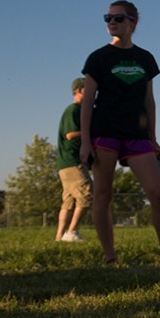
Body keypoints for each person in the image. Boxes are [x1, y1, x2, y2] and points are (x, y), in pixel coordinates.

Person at [79, 0, 160, 264]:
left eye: (118, 18)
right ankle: (110, 256)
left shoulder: (145, 58)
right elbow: (87, 102)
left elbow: (149, 101)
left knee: (156, 192)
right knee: (103, 193)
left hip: (137, 135)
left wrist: (153, 139)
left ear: (133, 21)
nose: (111, 22)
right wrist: (85, 141)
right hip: (104, 132)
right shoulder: (97, 58)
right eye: (107, 18)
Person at [55, 77, 91, 242]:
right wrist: (92, 135)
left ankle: (59, 236)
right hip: (73, 161)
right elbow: (70, 134)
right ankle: (71, 231)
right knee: (87, 195)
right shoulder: (74, 110)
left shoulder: (76, 110)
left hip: (64, 164)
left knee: (68, 201)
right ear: (79, 91)